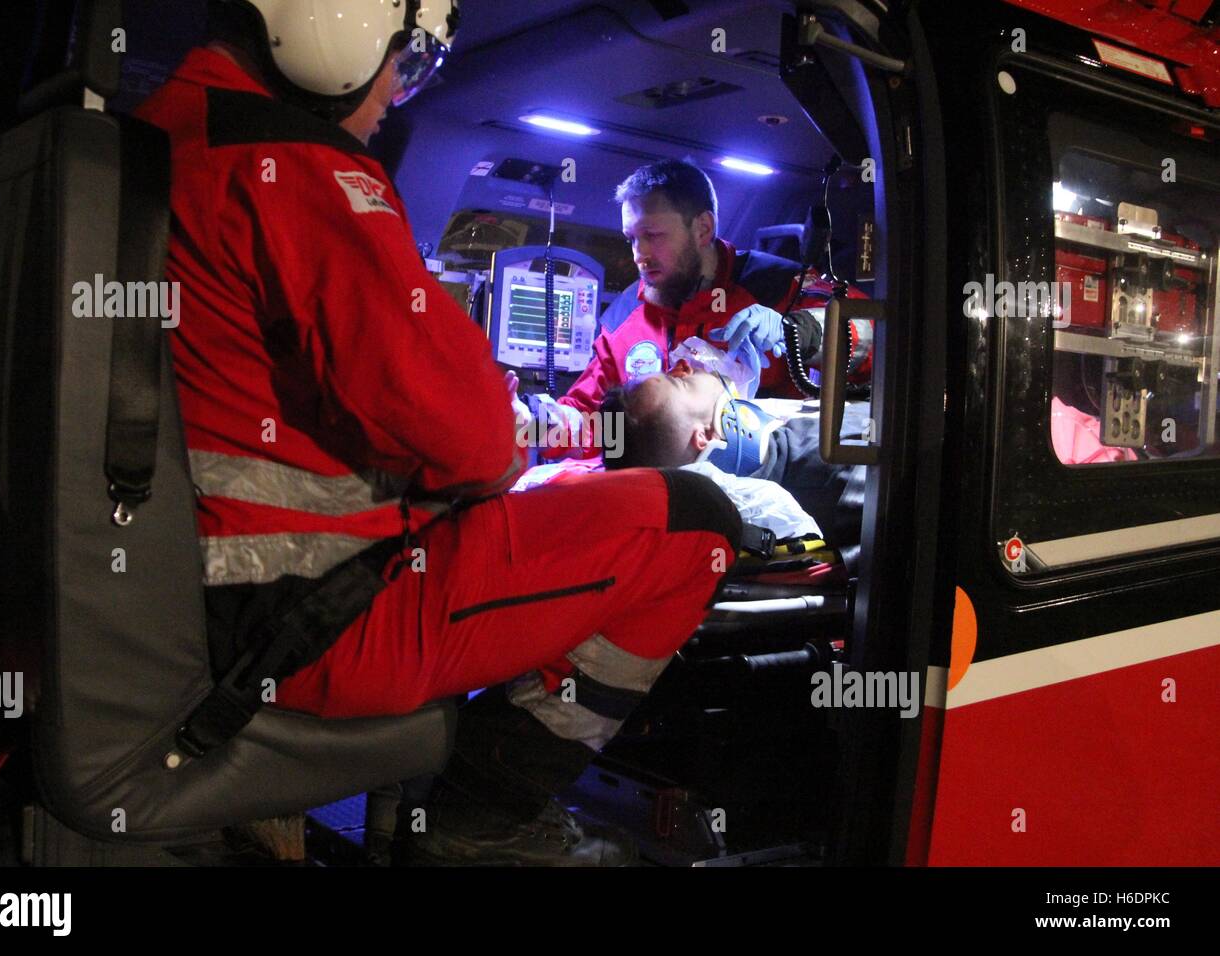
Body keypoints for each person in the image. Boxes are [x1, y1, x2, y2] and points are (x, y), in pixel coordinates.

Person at [133, 0, 743, 866]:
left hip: (207, 597)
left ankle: (418, 805)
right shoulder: (295, 166)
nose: (393, 92)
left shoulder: (165, 136)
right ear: (335, 32)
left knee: (568, 494)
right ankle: (482, 812)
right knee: (699, 524)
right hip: (320, 613)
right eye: (402, 59)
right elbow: (476, 447)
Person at [522, 158, 862, 456]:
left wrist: (800, 333)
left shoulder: (776, 285)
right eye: (631, 239)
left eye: (653, 235)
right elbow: (602, 428)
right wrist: (531, 426)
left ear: (703, 229)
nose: (638, 254)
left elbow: (875, 331)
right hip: (663, 499)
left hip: (769, 481)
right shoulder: (622, 320)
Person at [601, 364, 869, 570]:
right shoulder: (837, 473)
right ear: (707, 436)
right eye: (679, 382)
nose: (684, 366)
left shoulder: (787, 449)